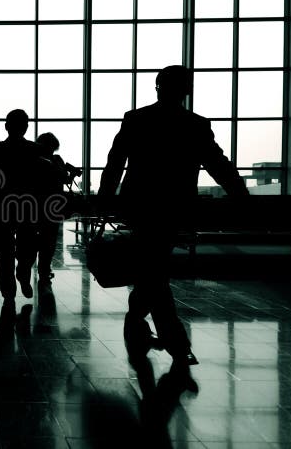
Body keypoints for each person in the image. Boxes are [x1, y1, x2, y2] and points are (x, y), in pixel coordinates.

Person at [98, 65, 249, 371]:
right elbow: (218, 165)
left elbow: (115, 162)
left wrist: (104, 198)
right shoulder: (195, 125)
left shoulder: (136, 119)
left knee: (151, 271)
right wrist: (240, 196)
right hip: (173, 208)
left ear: (157, 87)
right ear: (187, 91)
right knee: (156, 270)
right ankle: (175, 342)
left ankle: (138, 318)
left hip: (140, 205)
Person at [0, 109, 43, 300]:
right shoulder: (34, 150)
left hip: (0, 207)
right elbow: (39, 182)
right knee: (27, 248)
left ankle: (9, 292)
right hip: (26, 207)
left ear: (6, 126)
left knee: (5, 251)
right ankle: (22, 275)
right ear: (25, 127)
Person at [34, 132, 79, 284]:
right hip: (54, 205)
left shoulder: (36, 161)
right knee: (50, 239)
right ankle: (44, 270)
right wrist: (72, 174)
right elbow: (65, 179)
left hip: (38, 204)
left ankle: (41, 269)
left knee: (40, 238)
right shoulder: (56, 160)